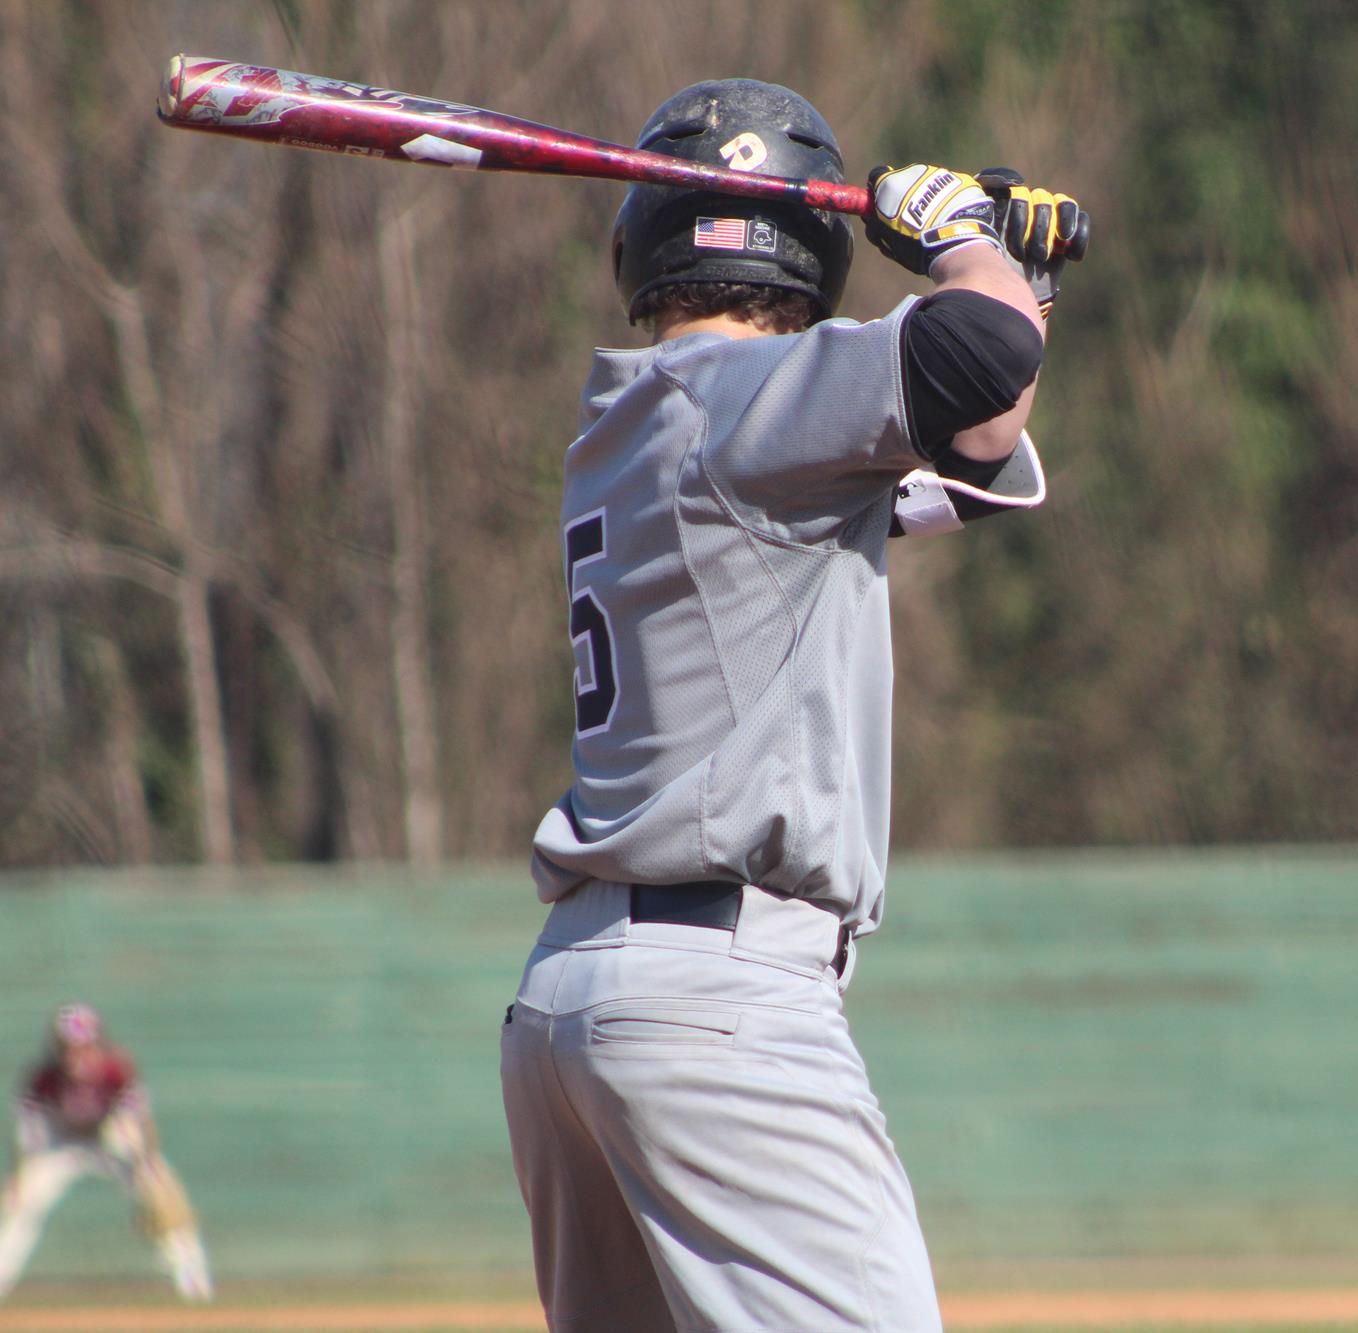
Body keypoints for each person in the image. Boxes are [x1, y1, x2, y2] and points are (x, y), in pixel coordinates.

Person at [498, 78, 1085, 1331]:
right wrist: (954, 244)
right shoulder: (752, 397)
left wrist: (1012, 277)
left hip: (574, 1002)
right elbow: (975, 356)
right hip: (716, 1009)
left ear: (640, 243)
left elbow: (974, 442)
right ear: (809, 251)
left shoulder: (644, 414)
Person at [0, 1003, 213, 1303]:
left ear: (98, 1042)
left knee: (160, 1191)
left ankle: (193, 1281)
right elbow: (28, 1136)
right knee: (19, 1203)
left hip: (108, 1137)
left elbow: (140, 1122)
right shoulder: (42, 1078)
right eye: (69, 1048)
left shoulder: (116, 1068)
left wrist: (147, 1164)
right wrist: (18, 1177)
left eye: (84, 1046)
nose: (77, 1055)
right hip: (62, 1141)